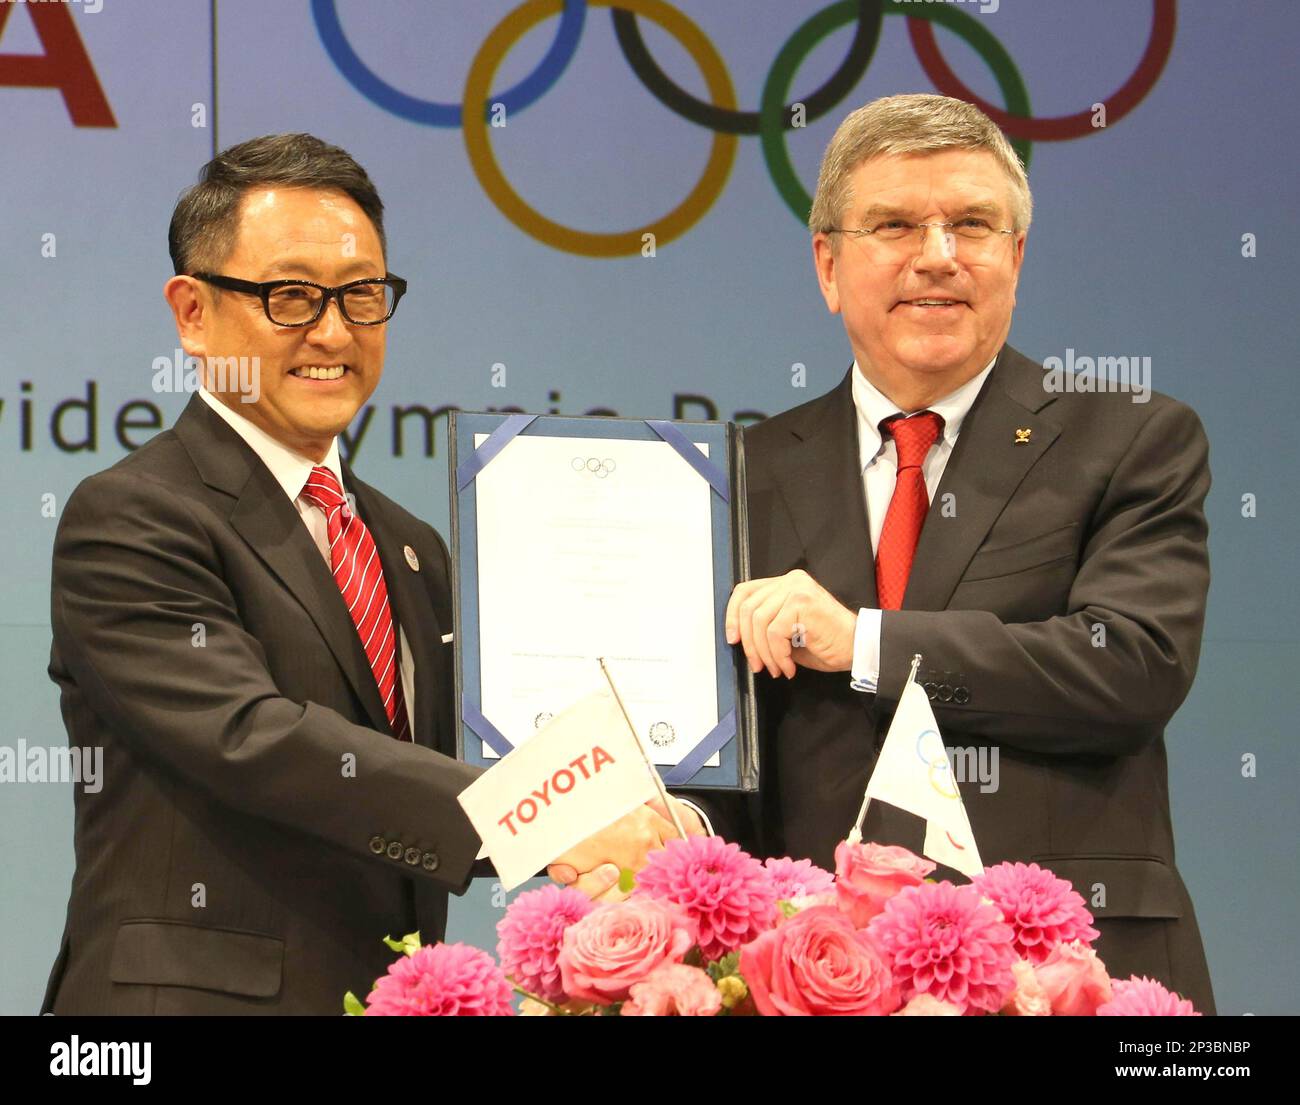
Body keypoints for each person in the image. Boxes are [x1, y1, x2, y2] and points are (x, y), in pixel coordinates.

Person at [41, 133, 682, 1014]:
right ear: (192, 313)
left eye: (361, 295)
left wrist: (652, 812)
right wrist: (551, 812)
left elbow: (480, 748)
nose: (334, 332)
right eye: (291, 296)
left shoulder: (409, 543)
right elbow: (256, 740)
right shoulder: (133, 516)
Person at [715, 94, 1216, 1012]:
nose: (937, 256)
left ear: (1016, 259)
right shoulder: (737, 476)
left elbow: (1133, 666)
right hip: (810, 982)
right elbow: (718, 757)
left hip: (1073, 972)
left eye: (972, 224)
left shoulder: (1134, 435)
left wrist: (863, 642)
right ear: (827, 265)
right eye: (895, 224)